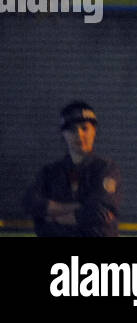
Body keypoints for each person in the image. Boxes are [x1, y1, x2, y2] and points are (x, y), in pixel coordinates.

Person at [23, 101, 121, 237]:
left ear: (94, 131)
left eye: (84, 128)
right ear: (63, 134)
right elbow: (30, 203)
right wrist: (81, 206)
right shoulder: (50, 172)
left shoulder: (105, 169)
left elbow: (99, 212)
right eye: (72, 130)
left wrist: (55, 217)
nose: (79, 135)